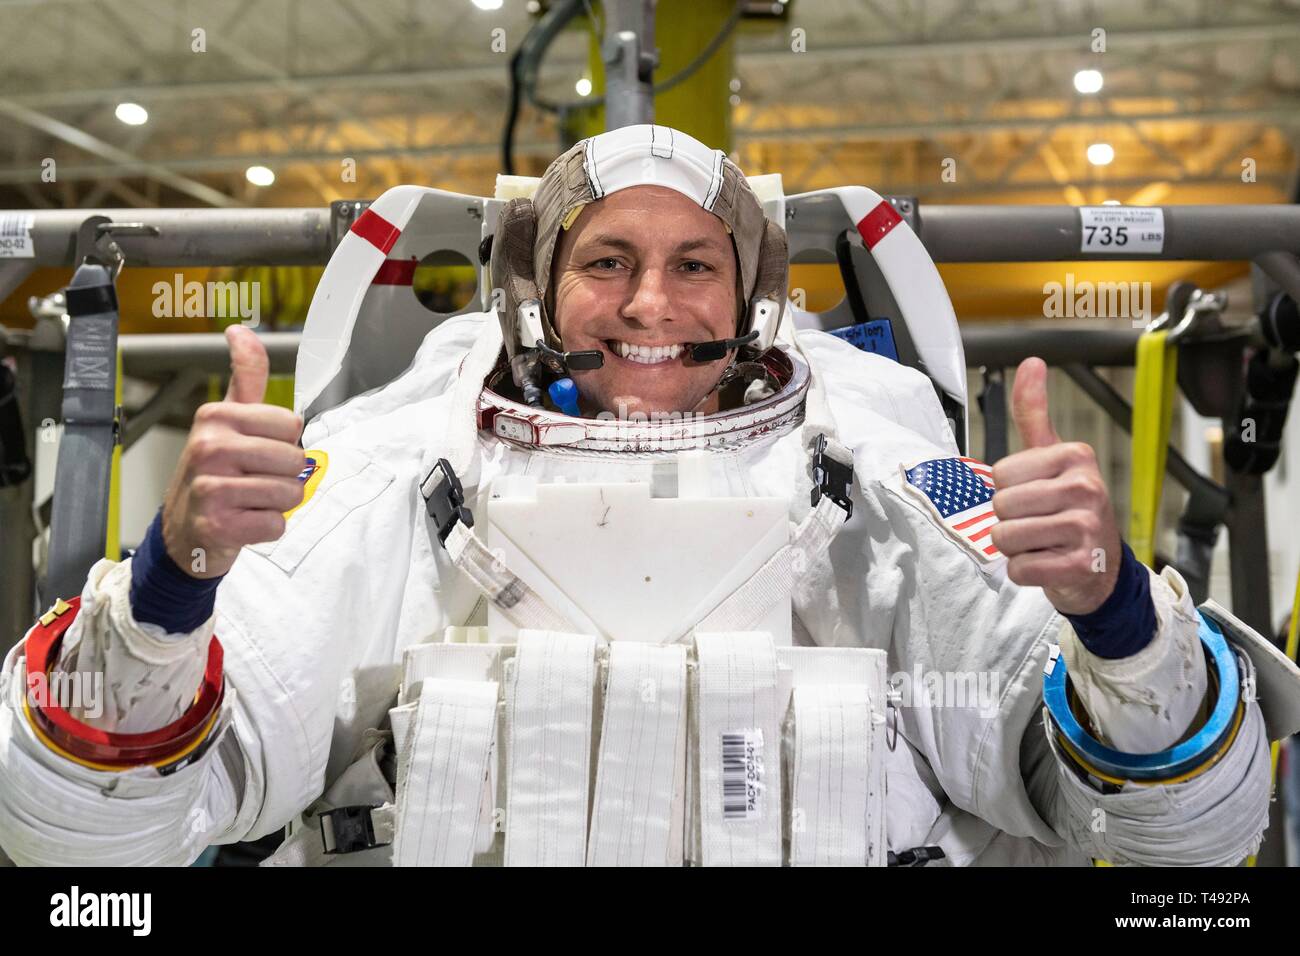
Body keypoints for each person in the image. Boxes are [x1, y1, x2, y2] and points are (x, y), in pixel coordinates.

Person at [0, 124, 1278, 867]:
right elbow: (83, 843)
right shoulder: (402, 455)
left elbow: (1183, 839)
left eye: (694, 266)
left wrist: (1113, 614)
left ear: (753, 297)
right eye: (605, 262)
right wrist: (168, 589)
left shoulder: (883, 461)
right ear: (537, 291)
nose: (653, 305)